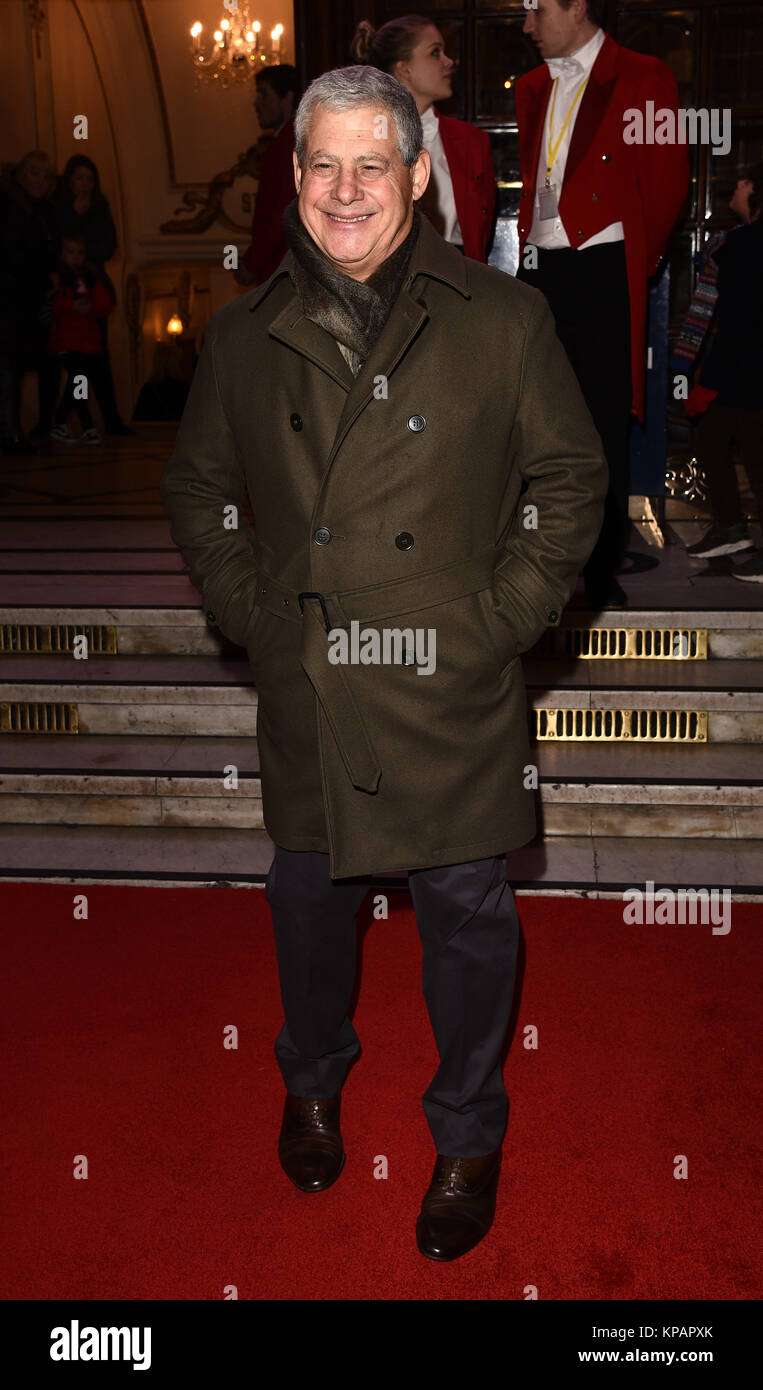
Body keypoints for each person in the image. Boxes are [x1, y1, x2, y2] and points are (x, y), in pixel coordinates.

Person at [160, 65, 607, 1262]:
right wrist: (257, 612)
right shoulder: (244, 334)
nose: (345, 190)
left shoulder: (501, 319)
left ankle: (466, 1132)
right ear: (293, 175)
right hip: (314, 680)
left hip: (447, 681)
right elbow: (199, 489)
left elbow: (569, 483)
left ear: (419, 173)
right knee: (308, 905)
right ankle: (311, 1080)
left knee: (466, 918)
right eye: (321, 163)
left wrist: (500, 614)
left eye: (372, 163)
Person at [515, 0, 688, 608]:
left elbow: (668, 185)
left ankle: (602, 565)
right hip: (539, 266)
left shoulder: (645, 76)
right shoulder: (533, 85)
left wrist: (629, 269)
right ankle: (537, 557)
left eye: (536, 10)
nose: (527, 25)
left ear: (576, 7)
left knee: (603, 418)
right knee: (535, 420)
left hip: (603, 263)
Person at [350, 13, 496, 261]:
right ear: (404, 68)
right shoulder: (362, 135)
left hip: (457, 279)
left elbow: (482, 234)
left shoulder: (472, 141)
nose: (449, 61)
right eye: (435, 52)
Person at [683, 164, 763, 582]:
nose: (735, 187)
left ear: (755, 190)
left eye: (742, 182)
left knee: (752, 457)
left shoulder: (734, 248)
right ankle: (731, 528)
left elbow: (716, 318)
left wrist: (696, 373)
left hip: (740, 377)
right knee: (714, 441)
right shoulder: (729, 245)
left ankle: (734, 529)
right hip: (738, 377)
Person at [53, 154, 134, 435]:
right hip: (66, 291)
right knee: (71, 363)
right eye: (79, 178)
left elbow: (109, 245)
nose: (85, 184)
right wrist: (75, 215)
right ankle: (63, 421)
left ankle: (107, 419)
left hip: (93, 288)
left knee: (97, 358)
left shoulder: (100, 207)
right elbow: (60, 243)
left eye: (89, 178)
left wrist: (86, 256)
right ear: (69, 180)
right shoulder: (60, 207)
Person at [0, 149, 58, 453]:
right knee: (8, 365)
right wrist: (42, 278)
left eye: (46, 175)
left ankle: (11, 432)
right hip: (9, 299)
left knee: (13, 366)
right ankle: (10, 433)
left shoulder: (34, 209)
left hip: (20, 300)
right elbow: (15, 256)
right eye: (35, 172)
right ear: (22, 174)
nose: (41, 180)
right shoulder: (12, 206)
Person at [235, 65, 300, 288]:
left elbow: (283, 212)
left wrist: (252, 264)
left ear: (287, 98)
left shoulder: (288, 142)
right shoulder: (286, 139)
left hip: (281, 272)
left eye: (264, 93)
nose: (256, 103)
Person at [47, 231, 114, 445]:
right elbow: (51, 305)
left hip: (87, 341)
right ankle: (87, 427)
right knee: (80, 381)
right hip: (67, 340)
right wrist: (71, 307)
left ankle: (60, 423)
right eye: (70, 252)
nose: (76, 257)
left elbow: (106, 304)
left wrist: (90, 308)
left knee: (77, 383)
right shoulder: (57, 277)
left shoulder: (91, 277)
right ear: (62, 254)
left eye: (80, 252)